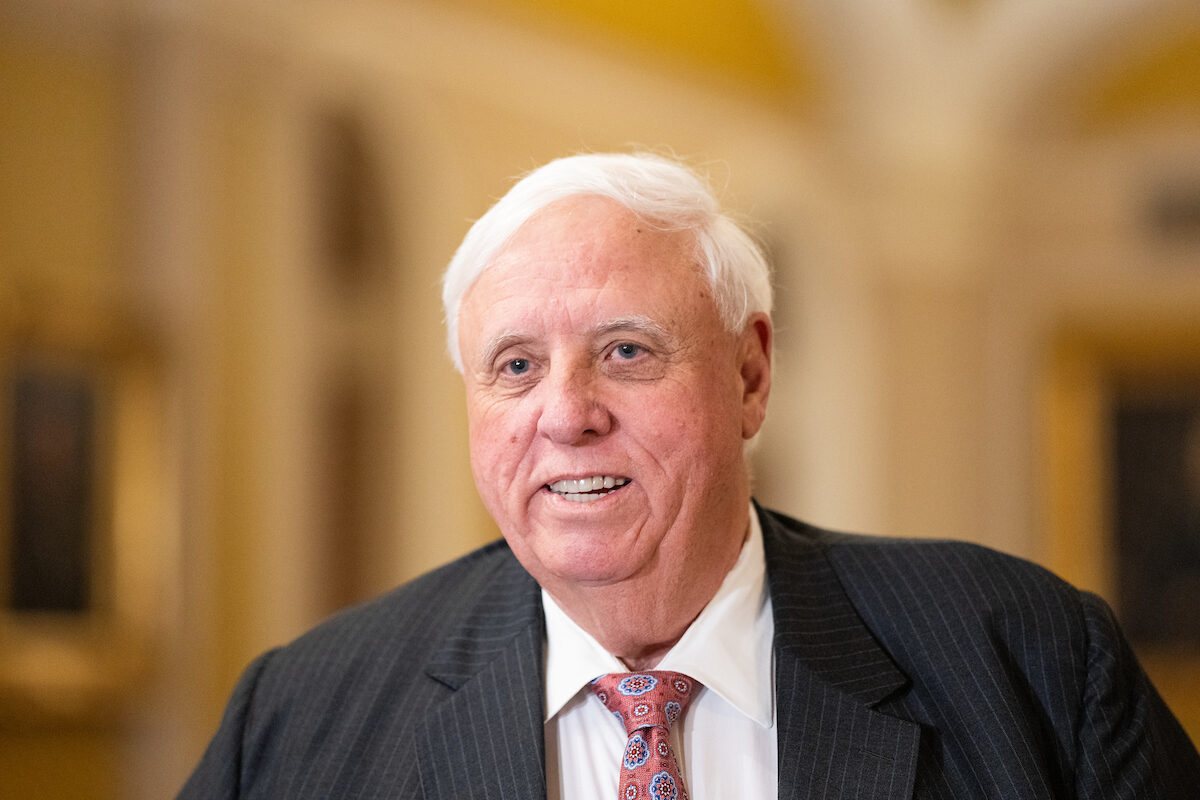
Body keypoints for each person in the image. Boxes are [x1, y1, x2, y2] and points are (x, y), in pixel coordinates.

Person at [179, 153, 1200, 799]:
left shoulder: (1032, 659)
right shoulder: (297, 713)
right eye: (516, 366)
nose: (567, 413)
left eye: (627, 350)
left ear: (750, 375)